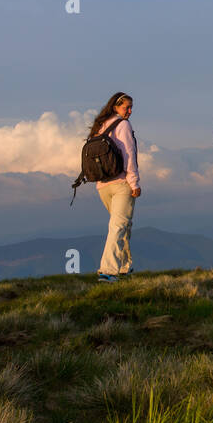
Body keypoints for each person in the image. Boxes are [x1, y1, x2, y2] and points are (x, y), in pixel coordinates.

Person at [87, 91, 141, 282]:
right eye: (127, 107)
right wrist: (134, 183)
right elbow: (129, 155)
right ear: (116, 107)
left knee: (121, 224)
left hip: (102, 185)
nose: (130, 111)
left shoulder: (99, 127)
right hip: (121, 184)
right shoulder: (123, 125)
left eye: (131, 107)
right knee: (118, 226)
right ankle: (108, 271)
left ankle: (125, 266)